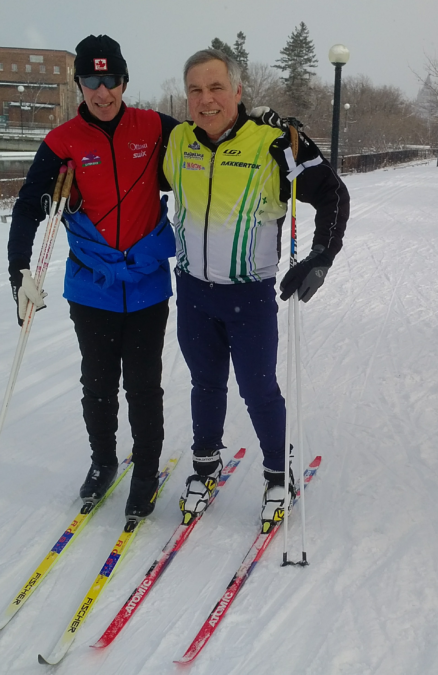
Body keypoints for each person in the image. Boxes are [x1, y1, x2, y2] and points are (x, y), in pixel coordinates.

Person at [162, 48, 349, 529]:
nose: (206, 99)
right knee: (205, 383)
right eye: (195, 90)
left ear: (238, 91)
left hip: (248, 295)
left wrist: (321, 256)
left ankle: (277, 473)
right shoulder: (177, 141)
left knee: (258, 388)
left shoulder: (274, 143)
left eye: (216, 87)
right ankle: (206, 466)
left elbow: (333, 193)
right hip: (194, 293)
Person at [7, 35, 179, 520]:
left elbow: (211, 141)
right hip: (91, 285)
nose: (102, 92)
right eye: (91, 81)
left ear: (124, 81)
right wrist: (18, 270)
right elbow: (28, 206)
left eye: (111, 80)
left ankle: (145, 471)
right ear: (78, 84)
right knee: (98, 384)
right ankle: (103, 462)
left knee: (143, 385)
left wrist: (252, 122)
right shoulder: (62, 141)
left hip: (145, 281)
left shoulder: (155, 127)